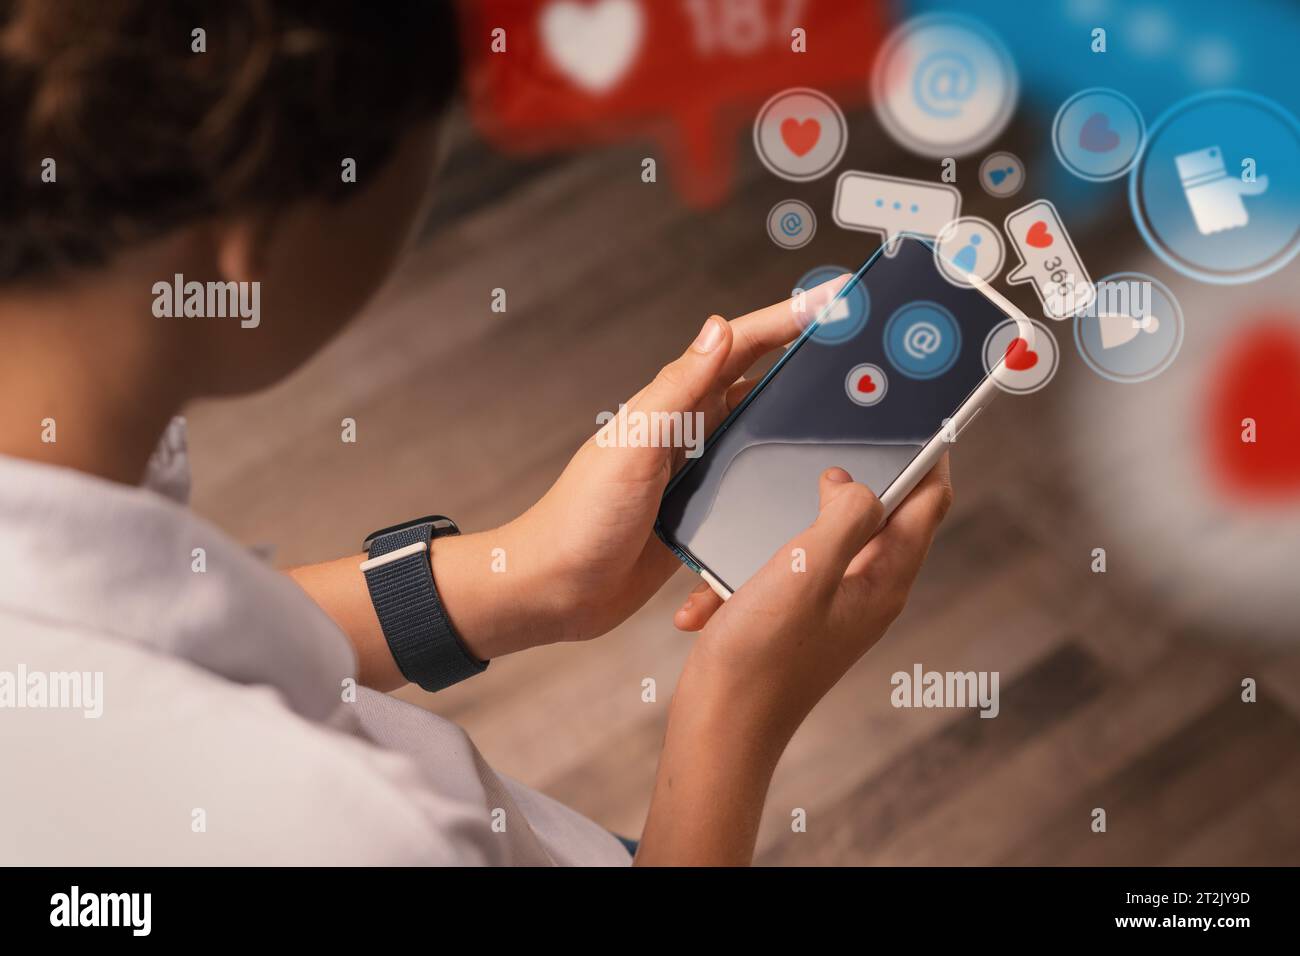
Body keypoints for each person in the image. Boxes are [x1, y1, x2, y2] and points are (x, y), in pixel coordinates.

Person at [0, 1, 951, 865]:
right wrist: (734, 717)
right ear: (250, 237)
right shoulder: (336, 836)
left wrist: (526, 576)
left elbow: (165, 634)